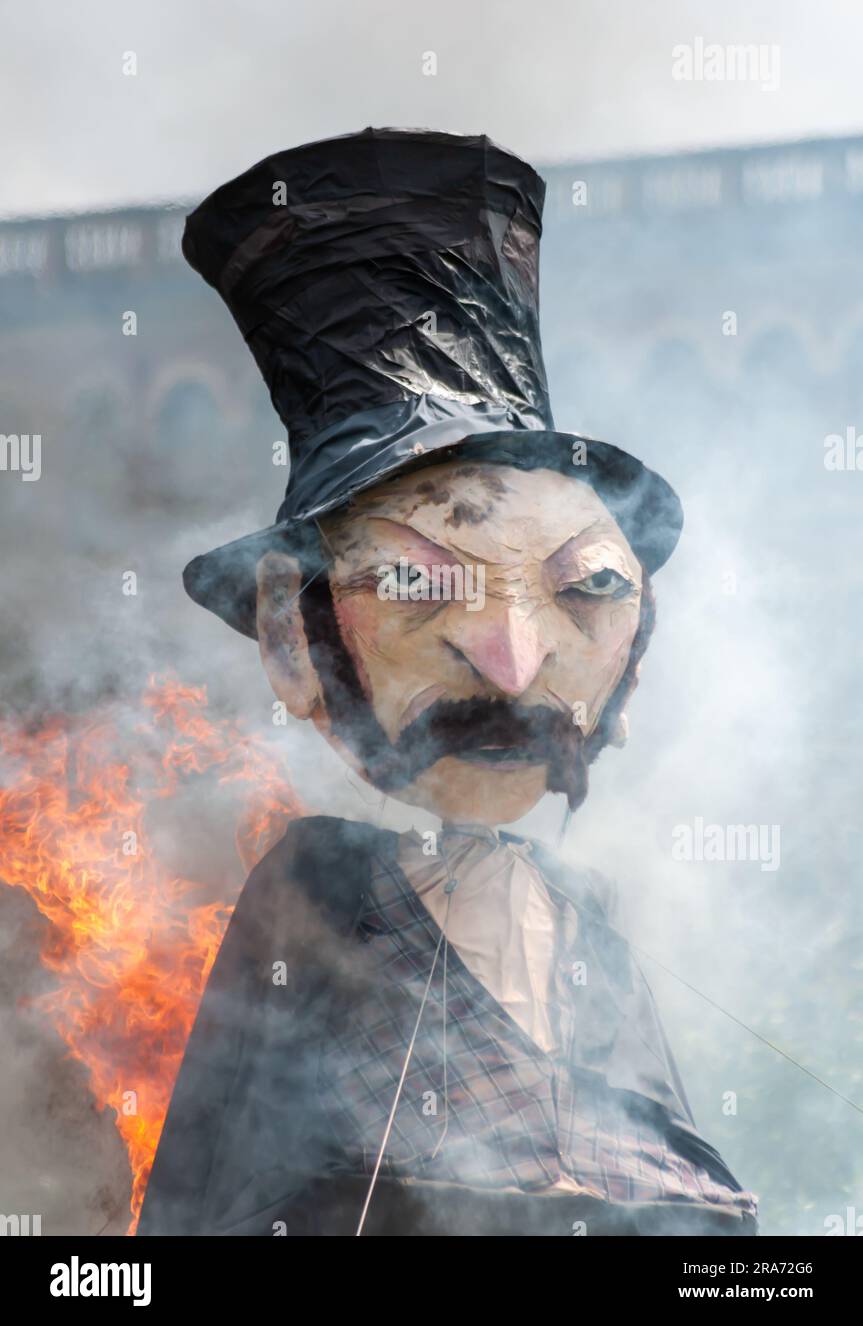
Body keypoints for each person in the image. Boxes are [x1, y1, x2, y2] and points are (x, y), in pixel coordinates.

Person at [137, 128, 757, 1237]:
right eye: (420, 586)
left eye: (588, 588)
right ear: (291, 635)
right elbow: (235, 1196)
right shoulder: (319, 890)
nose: (512, 661)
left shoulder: (585, 922)